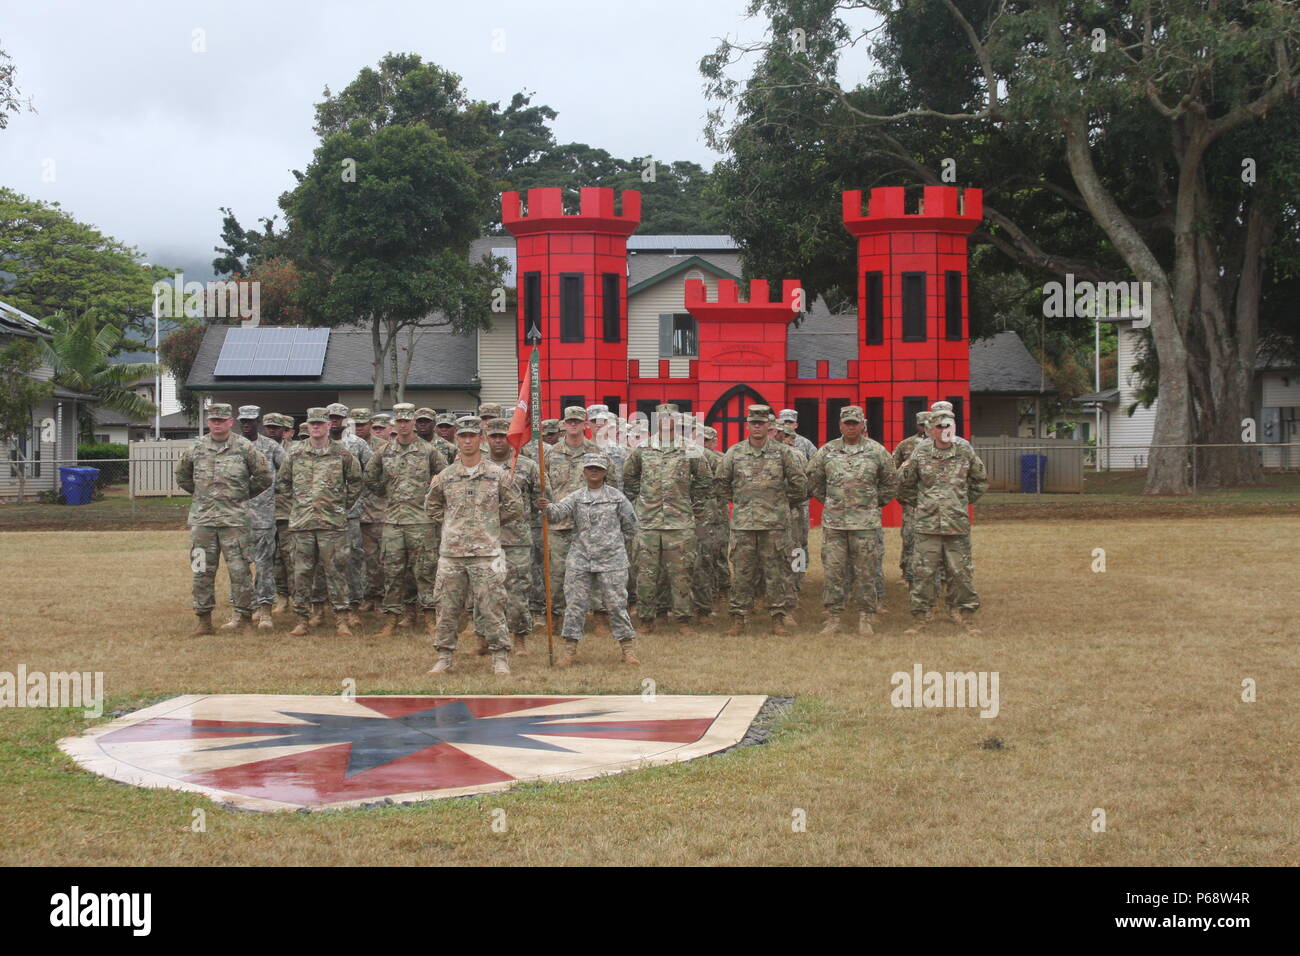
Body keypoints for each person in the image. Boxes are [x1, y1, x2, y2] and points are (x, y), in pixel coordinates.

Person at [426, 416, 524, 675]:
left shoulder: (497, 475)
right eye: (463, 436)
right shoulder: (445, 476)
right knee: (446, 607)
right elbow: (432, 506)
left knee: (492, 605)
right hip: (452, 553)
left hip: (487, 553)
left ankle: (500, 656)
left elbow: (515, 506)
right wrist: (451, 524)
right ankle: (444, 656)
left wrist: (489, 523)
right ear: (457, 439)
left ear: (481, 439)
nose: (468, 440)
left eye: (472, 436)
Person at [174, 404, 272, 635]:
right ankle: (204, 620)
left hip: (235, 522)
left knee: (240, 572)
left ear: (230, 422)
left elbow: (264, 476)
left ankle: (245, 619)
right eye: (213, 420)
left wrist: (240, 496)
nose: (217, 423)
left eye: (222, 419)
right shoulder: (196, 447)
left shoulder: (244, 447)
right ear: (208, 422)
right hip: (203, 522)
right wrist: (202, 496)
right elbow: (182, 475)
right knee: (201, 571)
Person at [539, 454, 640, 667]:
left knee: (616, 605)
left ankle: (627, 650)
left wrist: (613, 544)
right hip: (581, 559)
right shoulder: (576, 497)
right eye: (590, 468)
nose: (594, 471)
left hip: (612, 560)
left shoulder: (617, 497)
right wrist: (546, 507)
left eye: (598, 468)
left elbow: (631, 526)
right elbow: (557, 515)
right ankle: (569, 651)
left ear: (605, 472)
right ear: (584, 472)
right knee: (575, 605)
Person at [714, 405, 807, 635]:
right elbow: (720, 484)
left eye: (761, 423)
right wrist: (741, 502)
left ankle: (778, 618)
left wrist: (781, 504)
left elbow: (799, 485)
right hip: (744, 524)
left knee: (776, 572)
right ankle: (738, 618)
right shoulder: (734, 453)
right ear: (747, 425)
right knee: (742, 572)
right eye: (753, 423)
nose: (757, 427)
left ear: (770, 426)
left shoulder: (783, 453)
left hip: (774, 525)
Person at [807, 405, 897, 636]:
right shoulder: (827, 451)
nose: (850, 426)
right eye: (846, 422)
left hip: (865, 524)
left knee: (866, 571)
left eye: (855, 422)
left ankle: (866, 616)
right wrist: (832, 501)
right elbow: (814, 481)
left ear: (862, 425)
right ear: (840, 425)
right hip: (835, 524)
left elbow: (890, 483)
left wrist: (871, 502)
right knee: (834, 570)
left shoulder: (877, 451)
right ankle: (833, 617)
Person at [622, 403, 711, 635]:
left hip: (679, 522)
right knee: (646, 574)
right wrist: (642, 502)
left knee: (681, 574)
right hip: (648, 522)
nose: (665, 420)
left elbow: (703, 480)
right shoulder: (643, 448)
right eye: (661, 417)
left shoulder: (690, 448)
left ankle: (683, 620)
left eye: (670, 417)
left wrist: (691, 505)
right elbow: (629, 477)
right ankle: (646, 620)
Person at [896, 410, 988, 634]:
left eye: (948, 426)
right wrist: (922, 505)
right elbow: (903, 483)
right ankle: (921, 616)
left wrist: (960, 502)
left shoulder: (964, 450)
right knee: (923, 572)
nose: (944, 430)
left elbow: (980, 481)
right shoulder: (921, 452)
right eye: (939, 427)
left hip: (956, 524)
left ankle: (964, 614)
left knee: (961, 572)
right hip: (927, 525)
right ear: (931, 430)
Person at [275, 407, 364, 636]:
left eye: (320, 423)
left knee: (336, 572)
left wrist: (340, 505)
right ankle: (302, 620)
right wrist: (298, 503)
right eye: (312, 423)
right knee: (302, 573)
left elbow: (355, 482)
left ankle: (341, 619)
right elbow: (283, 482)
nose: (316, 427)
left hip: (332, 525)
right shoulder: (295, 453)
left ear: (328, 426)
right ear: (308, 426)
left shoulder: (342, 454)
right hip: (302, 524)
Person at [364, 403, 448, 637]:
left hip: (422, 521)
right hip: (393, 521)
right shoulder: (384, 452)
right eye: (398, 421)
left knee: (424, 571)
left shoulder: (428, 450)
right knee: (392, 571)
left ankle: (430, 616)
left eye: (406, 421)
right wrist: (384, 492)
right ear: (394, 424)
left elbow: (445, 477)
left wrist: (432, 500)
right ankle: (392, 617)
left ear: (413, 422)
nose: (402, 425)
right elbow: (369, 477)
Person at [472, 417, 539, 655]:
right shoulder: (476, 465)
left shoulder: (528, 465)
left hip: (517, 539)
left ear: (510, 438)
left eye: (503, 436)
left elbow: (542, 496)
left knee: (518, 590)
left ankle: (519, 638)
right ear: (486, 438)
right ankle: (482, 640)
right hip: (485, 539)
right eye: (494, 436)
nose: (498, 441)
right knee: (483, 591)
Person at [538, 406, 604, 614]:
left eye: (577, 421)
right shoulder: (551, 454)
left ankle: (597, 614)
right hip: (559, 524)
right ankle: (557, 615)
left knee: (593, 570)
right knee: (557, 573)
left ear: (585, 425)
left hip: (589, 524)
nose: (573, 425)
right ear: (563, 425)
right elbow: (542, 488)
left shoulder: (596, 452)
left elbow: (609, 487)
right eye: (570, 422)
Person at [234, 406, 286, 630]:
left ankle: (265, 610)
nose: (246, 424)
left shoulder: (271, 446)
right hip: (236, 518)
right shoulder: (231, 446)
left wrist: (275, 495)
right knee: (238, 567)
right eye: (243, 421)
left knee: (265, 566)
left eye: (250, 421)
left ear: (258, 422)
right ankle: (240, 611)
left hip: (264, 517)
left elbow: (287, 473)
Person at [326, 403, 372, 611]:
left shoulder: (358, 444)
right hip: (323, 513)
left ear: (346, 420)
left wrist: (359, 498)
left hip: (351, 512)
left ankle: (355, 601)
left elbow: (371, 473)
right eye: (331, 417)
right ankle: (329, 601)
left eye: (338, 417)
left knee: (353, 556)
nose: (334, 421)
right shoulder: (318, 444)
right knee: (326, 558)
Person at [894, 410, 931, 588]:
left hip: (934, 503)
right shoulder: (906, 445)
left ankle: (937, 575)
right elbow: (894, 473)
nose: (925, 428)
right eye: (922, 424)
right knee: (909, 537)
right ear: (917, 425)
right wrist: (903, 496)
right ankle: (907, 573)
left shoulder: (944, 444)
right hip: (911, 502)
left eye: (928, 424)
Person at [355, 408, 387, 612]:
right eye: (356, 424)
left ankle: (384, 597)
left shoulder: (383, 448)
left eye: (363, 424)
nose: (359, 428)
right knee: (365, 559)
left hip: (378, 511)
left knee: (382, 558)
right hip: (355, 511)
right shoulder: (348, 445)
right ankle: (367, 596)